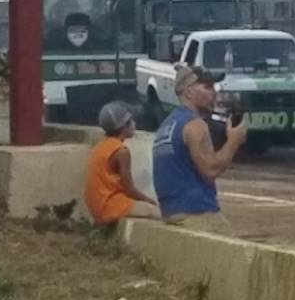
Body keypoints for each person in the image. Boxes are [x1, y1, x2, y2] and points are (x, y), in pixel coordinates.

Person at [152, 64, 247, 224]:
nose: (214, 93)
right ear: (189, 92)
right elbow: (210, 169)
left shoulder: (166, 126)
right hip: (197, 212)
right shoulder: (195, 124)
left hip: (171, 212)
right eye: (207, 88)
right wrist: (233, 141)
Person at [84, 101, 160, 226]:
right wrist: (150, 201)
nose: (134, 124)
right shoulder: (121, 152)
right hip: (110, 205)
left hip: (97, 207)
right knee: (157, 213)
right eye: (131, 120)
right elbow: (129, 190)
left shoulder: (101, 146)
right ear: (124, 126)